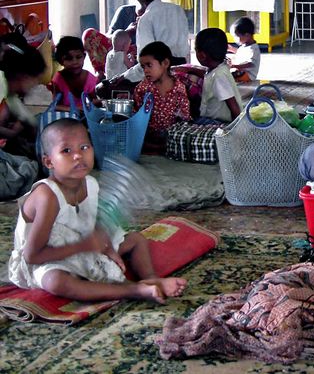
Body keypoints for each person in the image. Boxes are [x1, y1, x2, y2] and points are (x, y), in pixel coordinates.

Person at [6, 118, 187, 302]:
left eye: (84, 147)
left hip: (82, 243)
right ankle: (134, 291)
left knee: (136, 239)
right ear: (49, 161)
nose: (78, 155)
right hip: (49, 258)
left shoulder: (90, 184)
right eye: (66, 150)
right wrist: (84, 246)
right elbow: (32, 256)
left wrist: (108, 249)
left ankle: (150, 279)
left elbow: (92, 223)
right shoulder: (47, 196)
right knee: (57, 282)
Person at [102, 0, 190, 97]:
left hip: (160, 77)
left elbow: (146, 66)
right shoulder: (178, 10)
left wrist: (120, 79)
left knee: (103, 89)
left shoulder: (146, 19)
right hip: (182, 75)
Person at [134, 41, 191, 150]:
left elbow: (185, 117)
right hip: (148, 137)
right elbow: (136, 117)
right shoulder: (142, 89)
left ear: (165, 63)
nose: (145, 70)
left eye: (149, 65)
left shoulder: (179, 88)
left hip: (171, 137)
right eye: (143, 67)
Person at [0, 33, 46, 165]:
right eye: (35, 81)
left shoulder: (11, 96)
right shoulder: (1, 83)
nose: (35, 86)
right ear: (23, 77)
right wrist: (12, 132)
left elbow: (30, 122)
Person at [194, 27, 242, 123]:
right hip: (214, 118)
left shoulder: (219, 76)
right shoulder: (217, 68)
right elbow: (206, 74)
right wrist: (189, 69)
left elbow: (233, 106)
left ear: (202, 55)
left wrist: (235, 130)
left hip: (219, 122)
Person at [52, 36, 98, 107]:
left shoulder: (89, 78)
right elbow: (56, 106)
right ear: (61, 61)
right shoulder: (58, 79)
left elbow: (95, 103)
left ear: (84, 56)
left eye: (78, 57)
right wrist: (77, 109)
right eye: (69, 59)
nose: (75, 62)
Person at [228, 17, 261, 83]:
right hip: (241, 72)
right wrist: (231, 49)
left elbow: (250, 64)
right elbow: (242, 53)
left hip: (248, 76)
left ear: (247, 35)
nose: (235, 39)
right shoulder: (245, 45)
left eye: (236, 36)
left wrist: (234, 66)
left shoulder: (253, 49)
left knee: (229, 76)